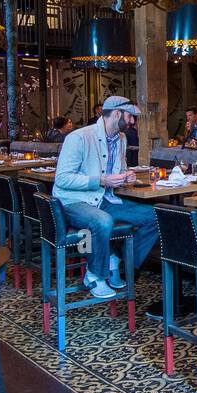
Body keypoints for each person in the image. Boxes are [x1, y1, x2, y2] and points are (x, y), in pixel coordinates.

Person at [53, 96, 159, 301]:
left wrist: (127, 176)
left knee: (155, 216)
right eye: (131, 117)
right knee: (102, 221)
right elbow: (63, 179)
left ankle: (116, 260)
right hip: (74, 201)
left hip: (105, 199)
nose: (133, 122)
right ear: (117, 114)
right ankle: (95, 275)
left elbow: (118, 170)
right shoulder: (79, 137)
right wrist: (102, 180)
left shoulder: (121, 139)